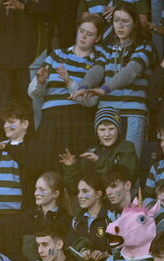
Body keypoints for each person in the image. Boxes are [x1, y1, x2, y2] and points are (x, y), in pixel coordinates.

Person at [73, 2, 153, 157]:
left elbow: (130, 71)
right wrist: (83, 87)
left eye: (125, 22)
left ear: (135, 23)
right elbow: (97, 70)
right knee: (105, 161)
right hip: (107, 111)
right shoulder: (107, 48)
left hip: (132, 113)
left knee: (128, 163)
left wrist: (104, 89)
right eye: (116, 20)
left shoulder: (144, 47)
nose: (120, 26)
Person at [28, 15, 106, 163]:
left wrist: (69, 82)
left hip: (78, 120)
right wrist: (40, 81)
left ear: (98, 38)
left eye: (89, 34)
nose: (83, 36)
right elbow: (33, 93)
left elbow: (92, 101)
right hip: (51, 119)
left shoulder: (98, 61)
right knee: (49, 167)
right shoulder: (56, 55)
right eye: (81, 31)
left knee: (74, 168)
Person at [0, 99, 44, 261]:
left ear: (25, 124)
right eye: (5, 122)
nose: (6, 126)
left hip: (19, 217)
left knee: (16, 259)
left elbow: (33, 167)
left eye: (11, 122)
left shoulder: (33, 147)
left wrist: (7, 148)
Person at [59, 107, 137, 194]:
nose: (107, 134)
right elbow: (74, 188)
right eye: (102, 129)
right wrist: (71, 167)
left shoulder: (126, 148)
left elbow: (124, 178)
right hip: (95, 201)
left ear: (118, 130)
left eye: (111, 129)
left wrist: (98, 161)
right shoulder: (91, 151)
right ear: (96, 132)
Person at [18, 171, 72, 261]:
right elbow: (15, 246)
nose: (36, 193)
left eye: (41, 189)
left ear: (55, 194)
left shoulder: (67, 220)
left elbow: (67, 250)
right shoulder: (26, 218)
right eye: (36, 189)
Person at [68, 172, 115, 261]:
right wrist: (81, 250)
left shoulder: (111, 218)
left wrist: (105, 254)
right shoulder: (76, 220)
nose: (80, 196)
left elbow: (119, 250)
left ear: (98, 194)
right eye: (79, 191)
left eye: (85, 191)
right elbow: (69, 247)